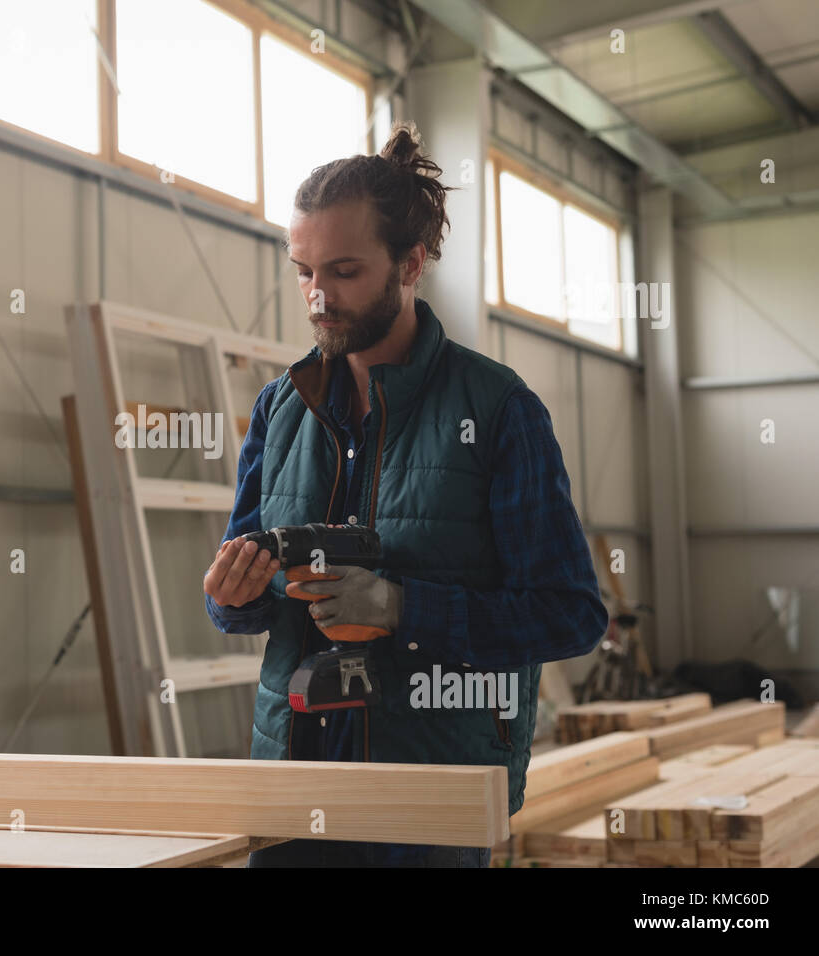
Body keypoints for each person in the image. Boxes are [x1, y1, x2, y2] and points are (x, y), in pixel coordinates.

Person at [202, 122, 609, 867]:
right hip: (295, 789)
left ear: (411, 262)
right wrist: (233, 594)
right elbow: (248, 597)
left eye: (344, 271)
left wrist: (399, 608)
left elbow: (570, 614)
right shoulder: (277, 409)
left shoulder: (498, 412)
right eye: (303, 271)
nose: (318, 296)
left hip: (428, 801)